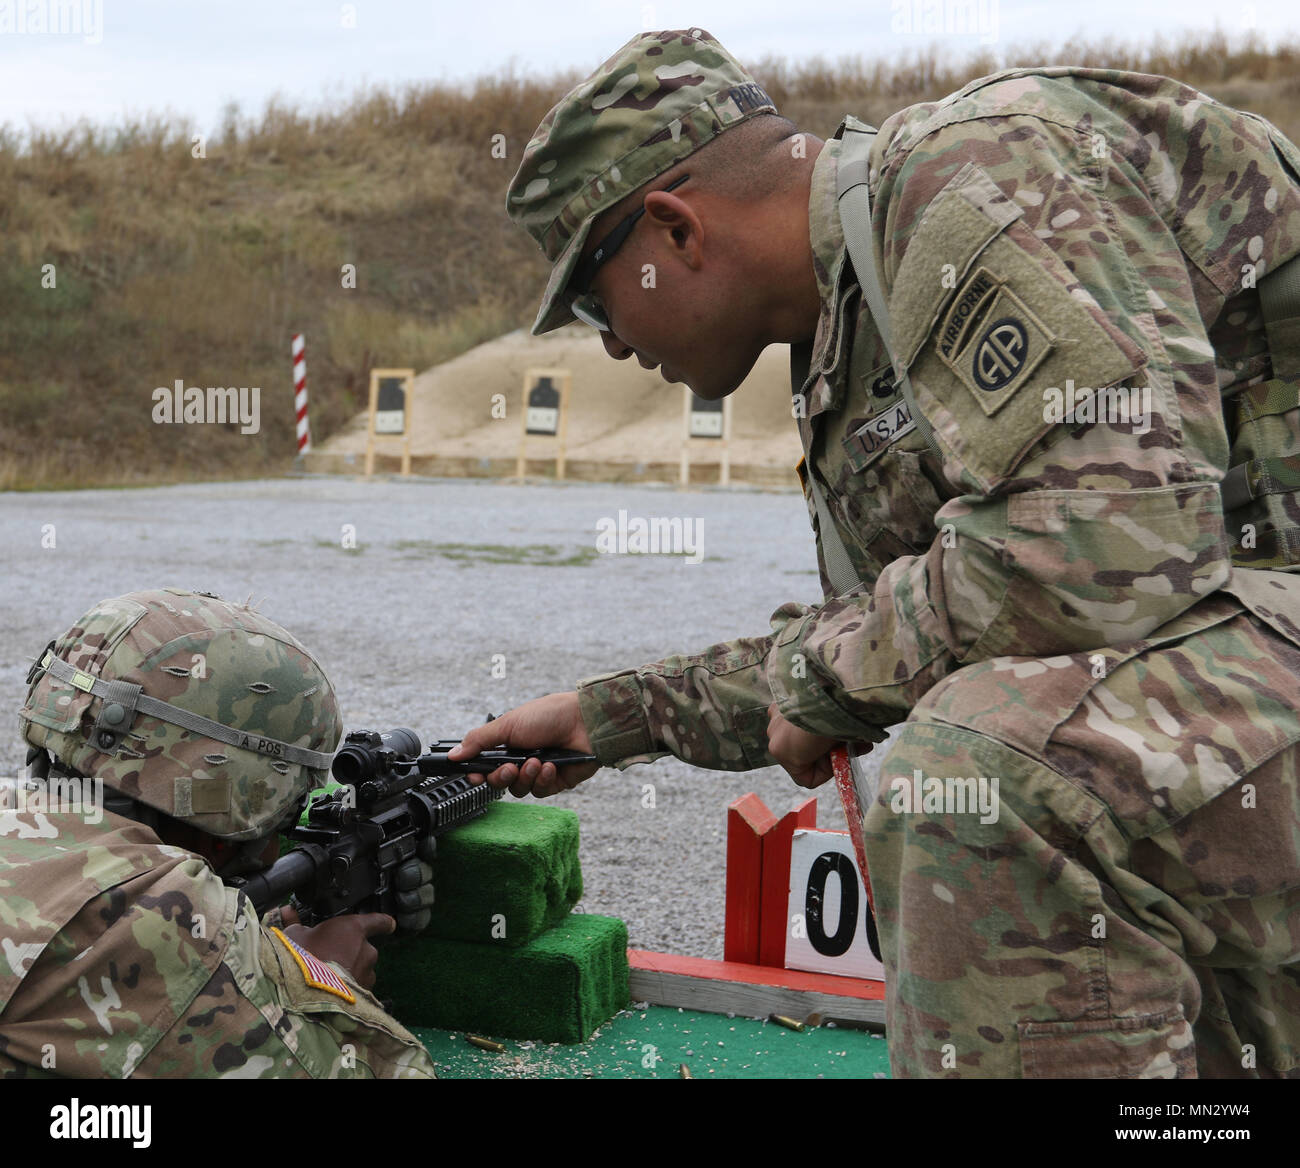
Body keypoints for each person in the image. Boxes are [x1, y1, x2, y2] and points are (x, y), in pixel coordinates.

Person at [454, 28, 1300, 1078]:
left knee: (980, 771)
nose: (615, 344)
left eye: (594, 300)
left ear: (673, 229)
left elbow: (1102, 548)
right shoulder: (850, 331)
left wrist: (826, 681)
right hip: (1252, 664)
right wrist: (614, 715)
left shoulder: (973, 177)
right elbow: (923, 609)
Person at [0, 588, 436, 1079]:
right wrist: (325, 984)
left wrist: (254, 943)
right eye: (285, 813)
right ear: (240, 797)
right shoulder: (162, 913)